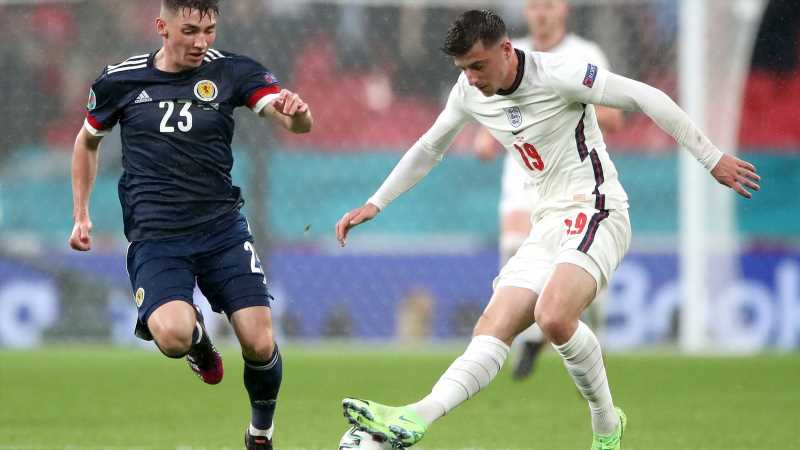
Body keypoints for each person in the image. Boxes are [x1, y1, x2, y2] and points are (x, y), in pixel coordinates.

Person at [334, 9, 758, 450]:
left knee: (553, 316)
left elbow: (646, 97)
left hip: (598, 209)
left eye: (478, 66)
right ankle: (417, 415)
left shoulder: (558, 73)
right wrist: (375, 202)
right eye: (463, 69)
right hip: (547, 222)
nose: (472, 78)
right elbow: (429, 147)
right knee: (491, 327)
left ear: (505, 50)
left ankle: (606, 425)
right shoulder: (469, 91)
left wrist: (712, 158)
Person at [68, 1, 312, 449]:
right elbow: (86, 142)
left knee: (259, 343)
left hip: (221, 230)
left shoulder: (234, 72)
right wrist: (81, 213)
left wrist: (296, 114)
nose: (202, 42)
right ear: (162, 27)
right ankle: (200, 344)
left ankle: (261, 432)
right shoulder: (119, 80)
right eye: (191, 30)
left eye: (210, 30)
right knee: (173, 335)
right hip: (156, 238)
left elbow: (296, 122)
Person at [473, 0, 624, 381]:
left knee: (575, 277)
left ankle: (579, 347)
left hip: (570, 177)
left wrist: (560, 99)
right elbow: (495, 114)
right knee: (514, 252)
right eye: (534, 5)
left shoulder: (584, 53)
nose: (541, 13)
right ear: (526, 11)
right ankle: (529, 339)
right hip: (524, 177)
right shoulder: (509, 54)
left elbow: (614, 115)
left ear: (564, 9)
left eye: (549, 5)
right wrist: (487, 138)